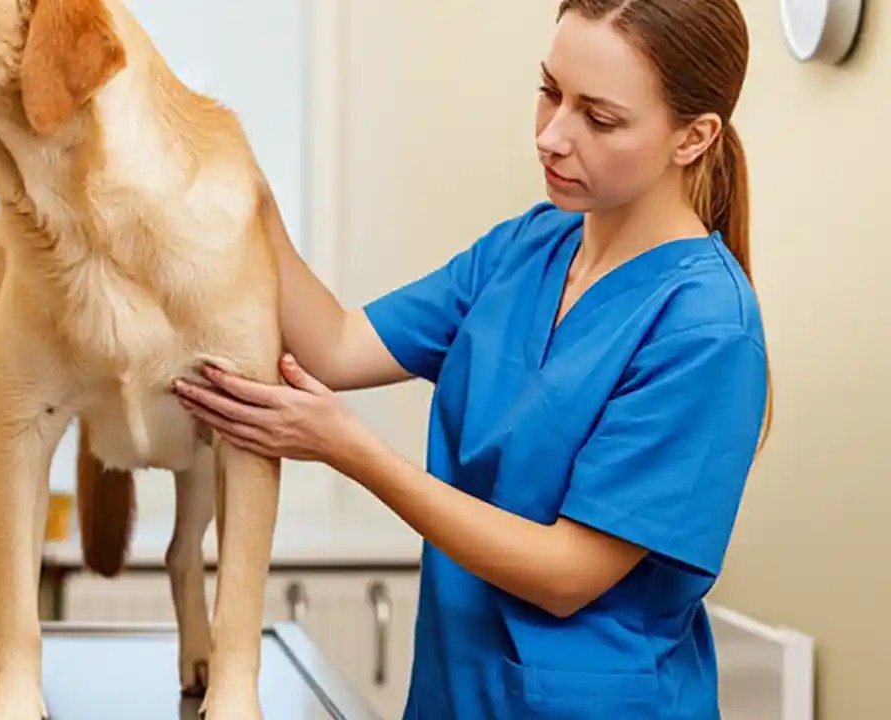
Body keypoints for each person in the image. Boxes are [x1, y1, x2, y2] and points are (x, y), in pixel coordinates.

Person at [173, 0, 771, 718]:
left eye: (599, 118)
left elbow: (565, 574)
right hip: (454, 695)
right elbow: (333, 345)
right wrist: (245, 192)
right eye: (550, 91)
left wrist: (348, 449)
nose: (552, 136)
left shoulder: (706, 328)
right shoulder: (527, 248)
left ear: (694, 137)